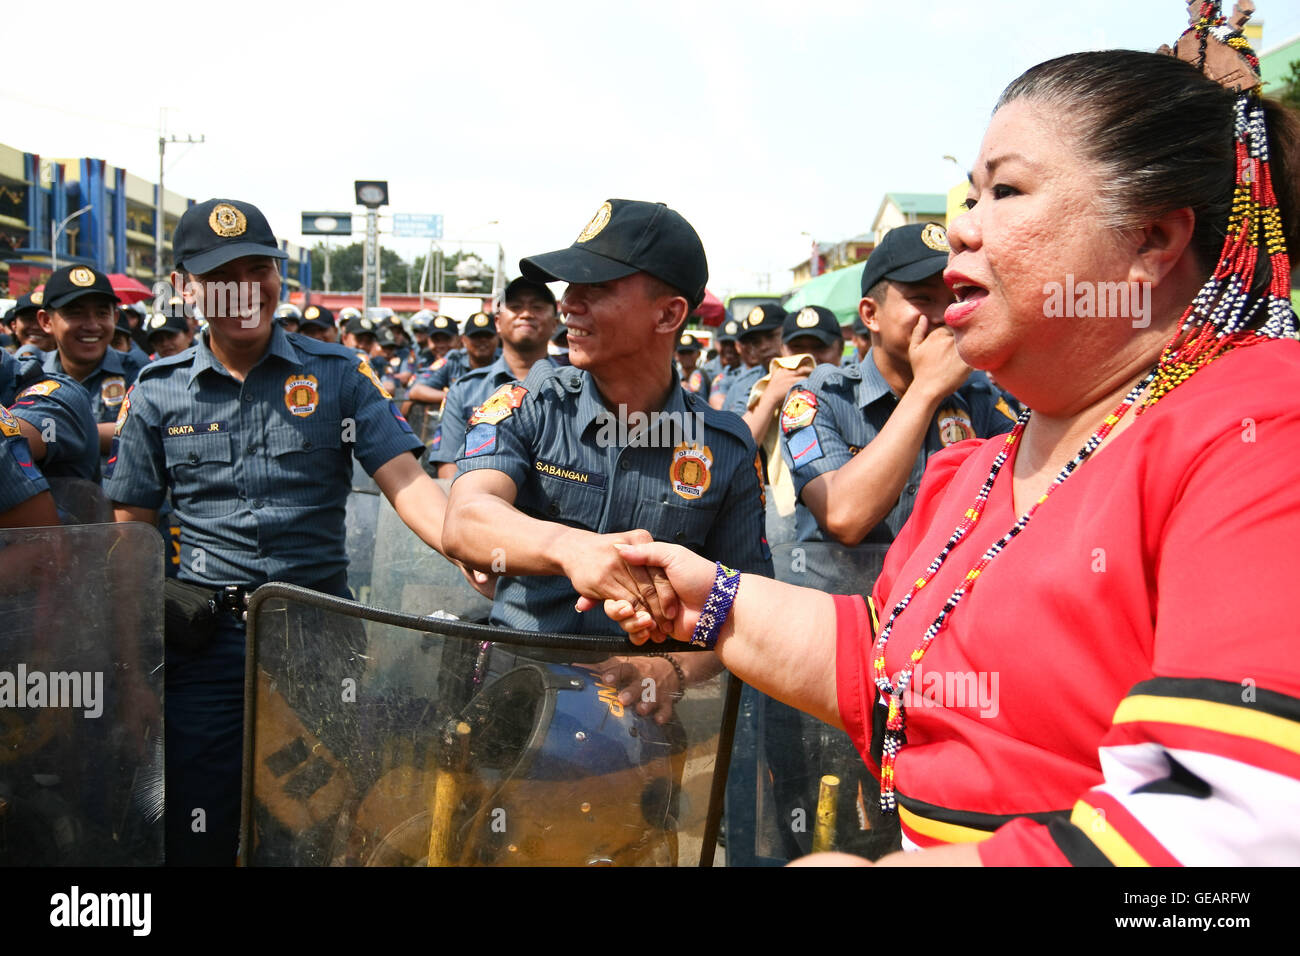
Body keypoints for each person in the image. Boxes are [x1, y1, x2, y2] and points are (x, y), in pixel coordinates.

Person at [596, 19, 1300, 865]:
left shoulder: (1261, 428)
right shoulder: (974, 471)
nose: (962, 229)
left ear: (1152, 239)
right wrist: (710, 599)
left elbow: (1239, 820)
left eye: (1006, 193)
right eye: (973, 194)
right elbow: (891, 666)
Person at [105, 197, 458, 866]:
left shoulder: (338, 377)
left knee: (312, 830)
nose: (243, 288)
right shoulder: (156, 392)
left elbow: (409, 483)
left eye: (256, 267)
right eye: (219, 274)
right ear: (185, 288)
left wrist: (468, 546)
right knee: (198, 826)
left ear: (279, 277)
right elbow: (131, 540)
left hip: (320, 641)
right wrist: (131, 673)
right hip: (206, 649)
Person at [441, 199, 773, 720]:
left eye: (596, 289)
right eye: (569, 289)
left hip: (638, 728)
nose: (569, 305)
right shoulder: (532, 404)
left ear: (669, 314)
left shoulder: (724, 449)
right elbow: (464, 520)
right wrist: (573, 550)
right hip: (511, 697)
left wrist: (673, 671)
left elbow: (748, 606)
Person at [780, 224, 1016, 547]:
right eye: (922, 299)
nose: (943, 315)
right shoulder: (820, 397)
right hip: (839, 595)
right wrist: (926, 389)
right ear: (870, 315)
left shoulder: (977, 395)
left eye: (955, 298)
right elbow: (844, 517)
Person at [428, 281, 555, 480]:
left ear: (555, 323)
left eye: (537, 307)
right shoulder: (464, 390)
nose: (526, 314)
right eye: (515, 307)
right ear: (497, 323)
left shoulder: (579, 386)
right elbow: (448, 467)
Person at [36, 266, 138, 464]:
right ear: (46, 321)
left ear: (115, 318)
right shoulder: (30, 376)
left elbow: (140, 434)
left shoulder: (138, 372)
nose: (92, 325)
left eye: (101, 313)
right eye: (75, 313)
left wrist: (54, 434)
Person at [721, 304, 786, 417]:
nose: (763, 347)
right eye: (756, 342)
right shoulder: (742, 385)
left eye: (771, 336)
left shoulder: (812, 375)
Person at [705, 319, 742, 410]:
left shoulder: (751, 370)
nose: (729, 349)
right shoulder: (706, 372)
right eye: (725, 344)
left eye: (733, 344)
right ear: (717, 344)